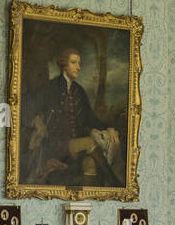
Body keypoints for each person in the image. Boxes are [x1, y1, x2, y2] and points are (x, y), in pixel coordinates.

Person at [25, 47, 121, 185]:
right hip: (54, 144)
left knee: (91, 163)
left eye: (79, 63)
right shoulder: (51, 87)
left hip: (75, 145)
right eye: (74, 62)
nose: (79, 67)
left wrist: (110, 127)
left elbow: (91, 118)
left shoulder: (79, 91)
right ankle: (114, 182)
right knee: (92, 142)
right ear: (64, 65)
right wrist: (38, 123)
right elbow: (29, 108)